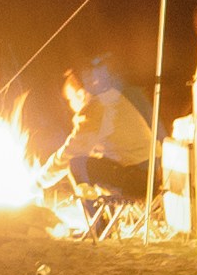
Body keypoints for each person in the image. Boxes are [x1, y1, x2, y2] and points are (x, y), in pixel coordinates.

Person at [62, 59, 157, 220]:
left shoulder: (93, 111)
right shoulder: (112, 98)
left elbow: (68, 153)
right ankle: (107, 220)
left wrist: (38, 182)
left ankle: (97, 225)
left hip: (139, 181)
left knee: (77, 163)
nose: (70, 106)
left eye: (70, 100)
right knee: (98, 162)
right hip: (155, 176)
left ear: (80, 94)